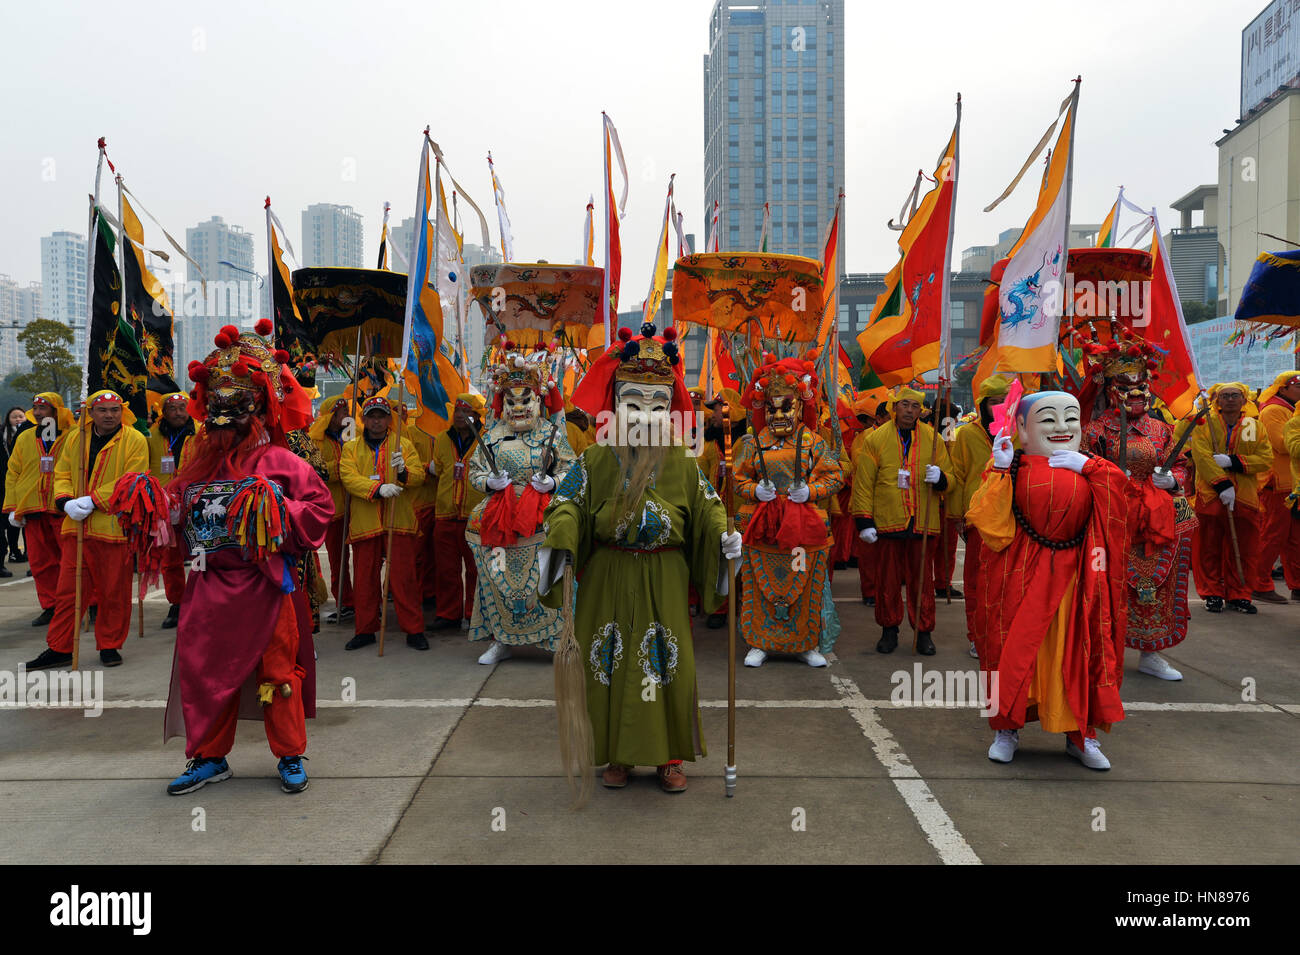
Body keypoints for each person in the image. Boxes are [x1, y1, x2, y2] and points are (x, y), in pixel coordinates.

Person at [539, 323, 738, 793]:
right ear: (615, 403)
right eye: (634, 401)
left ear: (671, 409)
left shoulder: (684, 463)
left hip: (665, 574)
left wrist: (725, 537)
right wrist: (564, 531)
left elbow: (709, 508)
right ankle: (619, 756)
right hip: (610, 571)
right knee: (606, 659)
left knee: (670, 663)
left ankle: (669, 758)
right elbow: (567, 503)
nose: (646, 412)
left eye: (657, 403)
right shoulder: (595, 461)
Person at [162, 322, 332, 795]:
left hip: (266, 584)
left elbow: (321, 511)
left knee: (277, 672)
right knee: (202, 670)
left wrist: (277, 508)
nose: (224, 411)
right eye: (216, 401)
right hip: (206, 586)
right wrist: (156, 504)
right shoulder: (200, 461)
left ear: (258, 404)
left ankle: (290, 754)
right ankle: (209, 757)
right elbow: (176, 513)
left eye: (235, 402)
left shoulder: (283, 462)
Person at [967, 390, 1130, 770]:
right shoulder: (1011, 466)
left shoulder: (1094, 467)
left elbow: (1122, 510)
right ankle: (1006, 728)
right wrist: (1000, 470)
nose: (1061, 427)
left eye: (1071, 417)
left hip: (1079, 579)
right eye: (1047, 419)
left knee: (1079, 651)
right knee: (1013, 650)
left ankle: (1081, 735)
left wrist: (1091, 469)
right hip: (1021, 574)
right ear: (1021, 428)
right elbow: (989, 523)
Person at [1080, 338, 1195, 680]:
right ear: (1111, 390)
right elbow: (1084, 466)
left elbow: (1182, 464)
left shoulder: (1162, 430)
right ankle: (1102, 650)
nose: (1134, 393)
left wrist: (1172, 481)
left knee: (1157, 585)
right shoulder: (1097, 430)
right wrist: (1108, 476)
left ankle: (1151, 652)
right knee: (1107, 583)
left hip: (1156, 514)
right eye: (1124, 386)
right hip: (1113, 513)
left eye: (1140, 386)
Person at [731, 354, 844, 667]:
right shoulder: (754, 443)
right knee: (758, 583)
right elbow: (739, 479)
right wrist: (754, 490)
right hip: (764, 526)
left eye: (786, 407)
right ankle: (759, 643)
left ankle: (805, 644)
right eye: (771, 407)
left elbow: (835, 476)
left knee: (805, 583)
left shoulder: (812, 442)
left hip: (803, 526)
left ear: (799, 407)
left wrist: (811, 491)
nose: (778, 414)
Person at [24, 390, 149, 670]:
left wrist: (94, 500)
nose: (109, 415)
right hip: (76, 527)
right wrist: (65, 500)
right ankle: (60, 646)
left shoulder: (134, 440)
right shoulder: (75, 437)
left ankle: (109, 645)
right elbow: (63, 472)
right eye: (102, 410)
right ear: (91, 412)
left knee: (113, 591)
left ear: (122, 412)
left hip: (114, 528)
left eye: (114, 410)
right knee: (68, 591)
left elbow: (132, 479)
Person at [466, 349, 574, 664]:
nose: (518, 408)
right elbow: (475, 471)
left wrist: (554, 483)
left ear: (538, 401)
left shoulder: (551, 435)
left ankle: (555, 638)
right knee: (498, 581)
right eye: (511, 402)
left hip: (541, 519)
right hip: (499, 518)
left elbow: (575, 471)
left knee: (544, 579)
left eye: (525, 401)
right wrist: (489, 482)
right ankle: (502, 639)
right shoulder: (493, 435)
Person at [851, 386, 951, 656]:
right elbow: (863, 483)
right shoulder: (876, 439)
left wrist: (940, 478)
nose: (909, 410)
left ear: (921, 411)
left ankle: (924, 632)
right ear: (894, 408)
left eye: (914, 406)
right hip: (888, 519)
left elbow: (950, 479)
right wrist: (864, 520)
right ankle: (889, 630)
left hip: (922, 520)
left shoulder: (933, 440)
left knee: (923, 582)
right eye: (904, 405)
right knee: (888, 581)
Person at [338, 395, 426, 651]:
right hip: (366, 522)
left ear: (389, 419)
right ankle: (365, 629)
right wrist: (377, 489)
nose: (376, 421)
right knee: (365, 580)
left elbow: (418, 476)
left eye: (381, 416)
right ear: (363, 419)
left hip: (398, 520)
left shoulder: (404, 445)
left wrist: (402, 473)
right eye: (372, 416)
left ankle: (414, 629)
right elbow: (348, 477)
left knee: (403, 578)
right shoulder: (351, 447)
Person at [1188, 382, 1272, 614]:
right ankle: (1212, 593)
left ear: (1244, 400)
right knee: (1209, 547)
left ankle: (1240, 594)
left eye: (1235, 395)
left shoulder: (1255, 426)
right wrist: (1221, 483)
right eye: (1225, 396)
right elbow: (1201, 455)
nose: (1230, 399)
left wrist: (1234, 462)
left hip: (1245, 496)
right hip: (1211, 494)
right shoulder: (1206, 424)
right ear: (1217, 400)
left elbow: (1265, 458)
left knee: (1245, 549)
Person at [949, 375, 1011, 659]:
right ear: (982, 404)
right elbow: (959, 475)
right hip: (977, 518)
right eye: (993, 402)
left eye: (1003, 401)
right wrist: (958, 514)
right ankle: (976, 635)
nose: (998, 406)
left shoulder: (1018, 432)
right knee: (975, 582)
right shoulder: (967, 434)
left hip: (1011, 516)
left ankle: (1005, 634)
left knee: (1007, 581)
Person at [3, 394, 73, 624]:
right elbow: (13, 472)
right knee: (40, 563)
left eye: (45, 408)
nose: (40, 412)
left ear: (57, 411)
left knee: (71, 561)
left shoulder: (73, 436)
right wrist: (13, 506)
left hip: (63, 508)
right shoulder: (24, 437)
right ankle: (51, 605)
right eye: (36, 408)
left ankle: (85, 603)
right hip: (32, 507)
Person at [429, 394, 486, 630]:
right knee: (446, 569)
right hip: (445, 514)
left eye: (466, 411)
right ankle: (448, 615)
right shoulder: (442, 438)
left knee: (476, 569)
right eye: (458, 412)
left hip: (476, 517)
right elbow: (438, 469)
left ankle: (474, 615)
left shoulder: (487, 439)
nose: (460, 415)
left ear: (476, 415)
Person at [697, 388, 746, 628]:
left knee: (746, 562)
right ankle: (721, 608)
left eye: (715, 409)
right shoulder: (709, 444)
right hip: (719, 511)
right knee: (721, 560)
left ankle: (747, 611)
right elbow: (701, 474)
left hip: (744, 512)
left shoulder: (748, 440)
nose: (712, 415)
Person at [147, 392, 196, 628]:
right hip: (163, 505)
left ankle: (200, 600)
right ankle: (177, 602)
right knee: (170, 559)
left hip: (195, 504)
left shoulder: (202, 433)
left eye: (182, 407)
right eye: (172, 408)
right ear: (163, 412)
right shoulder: (150, 436)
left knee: (201, 557)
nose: (178, 412)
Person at [1253, 372, 1300, 602]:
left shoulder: (1288, 410)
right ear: (1283, 389)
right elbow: (1283, 445)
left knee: (1294, 538)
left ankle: (1297, 584)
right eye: (1297, 386)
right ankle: (1258, 583)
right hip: (1277, 482)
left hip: (1291, 483)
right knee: (1272, 535)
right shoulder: (1273, 411)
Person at [308, 396, 354, 622]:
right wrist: (343, 468)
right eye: (341, 411)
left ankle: (366, 601)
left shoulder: (354, 437)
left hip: (359, 507)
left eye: (347, 410)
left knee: (370, 561)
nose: (346, 414)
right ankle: (345, 602)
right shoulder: (315, 442)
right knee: (338, 561)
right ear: (330, 416)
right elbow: (316, 473)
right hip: (334, 511)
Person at [0, 405, 33, 570]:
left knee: (27, 522)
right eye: (14, 417)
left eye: (21, 416)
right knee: (9, 522)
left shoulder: (32, 434)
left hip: (25, 485)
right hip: (7, 484)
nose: (18, 419)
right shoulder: (3, 437)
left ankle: (29, 553)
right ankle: (13, 551)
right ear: (8, 420)